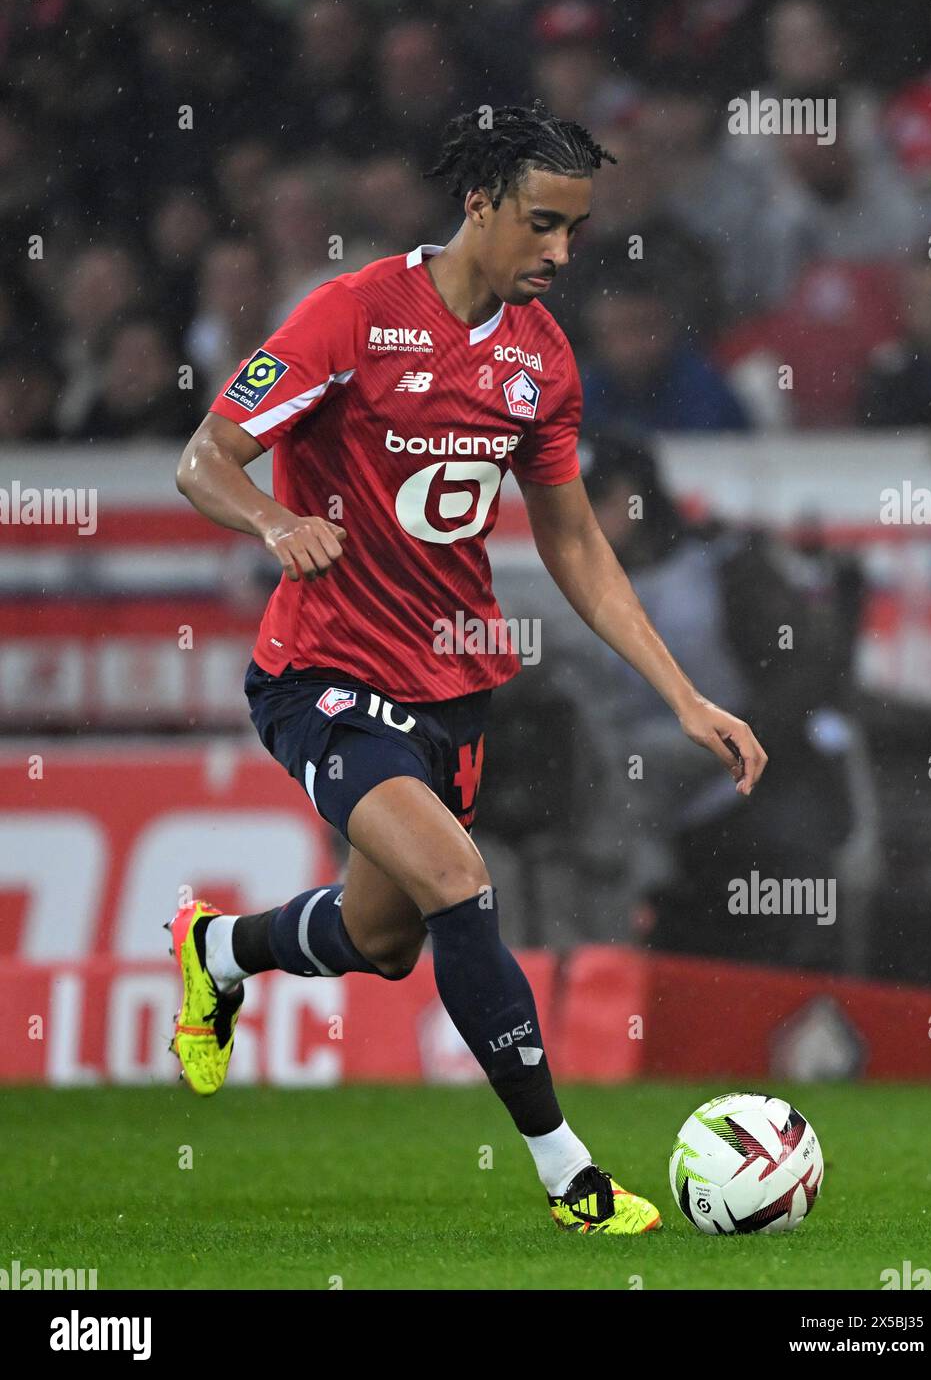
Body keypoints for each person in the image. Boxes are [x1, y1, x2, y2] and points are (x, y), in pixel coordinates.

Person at [171, 100, 767, 1237]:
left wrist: (682, 695)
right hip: (323, 674)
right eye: (540, 224)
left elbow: (576, 543)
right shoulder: (348, 315)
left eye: (574, 232)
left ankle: (219, 949)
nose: (557, 252)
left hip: (453, 684)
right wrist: (269, 523)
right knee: (459, 881)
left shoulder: (540, 356)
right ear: (477, 204)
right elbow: (204, 457)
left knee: (382, 938)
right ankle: (570, 1177)